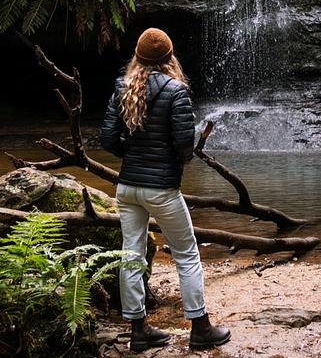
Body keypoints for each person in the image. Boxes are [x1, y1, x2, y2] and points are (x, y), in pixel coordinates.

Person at [99, 27, 231, 351]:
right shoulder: (176, 91)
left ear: (137, 58)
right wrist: (172, 160)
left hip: (128, 187)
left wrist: (131, 157)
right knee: (186, 254)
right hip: (161, 189)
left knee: (131, 254)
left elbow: (106, 138)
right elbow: (184, 145)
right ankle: (200, 328)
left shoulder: (122, 86)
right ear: (169, 57)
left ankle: (138, 331)